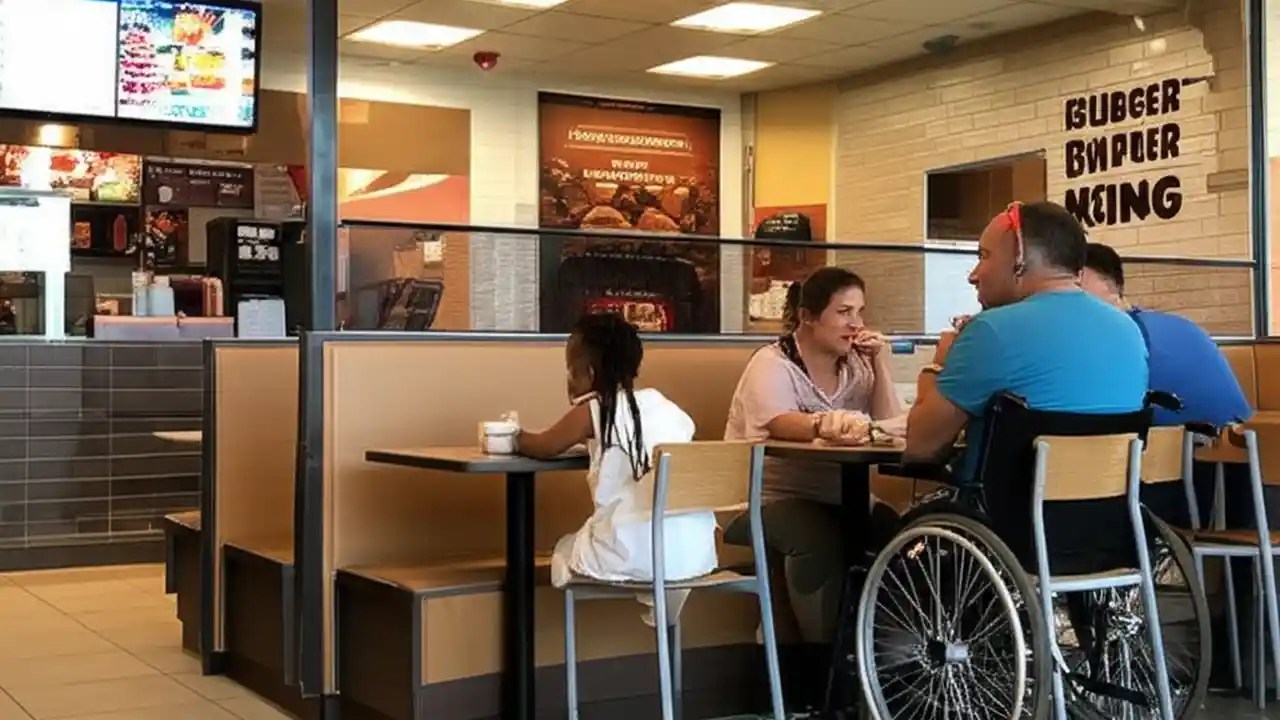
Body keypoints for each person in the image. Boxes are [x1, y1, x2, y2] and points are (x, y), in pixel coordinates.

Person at [723, 267, 905, 707]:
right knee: (818, 541)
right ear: (807, 316)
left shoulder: (858, 367)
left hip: (843, 494)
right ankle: (824, 680)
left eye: (860, 312)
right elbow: (780, 422)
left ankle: (881, 668)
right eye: (843, 312)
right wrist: (823, 423)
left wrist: (881, 362)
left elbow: (890, 423)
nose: (856, 324)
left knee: (897, 534)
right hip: (763, 497)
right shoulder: (773, 363)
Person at [1081, 242, 1254, 690]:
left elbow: (1098, 421)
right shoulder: (1173, 326)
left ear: (1104, 287)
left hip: (1192, 488)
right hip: (1251, 480)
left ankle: (1089, 660)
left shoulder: (1119, 338)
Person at [904, 201, 1149, 482]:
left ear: (1019, 259)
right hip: (1109, 520)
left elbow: (920, 448)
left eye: (984, 256)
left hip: (1007, 520)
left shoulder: (991, 331)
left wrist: (940, 363)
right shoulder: (1128, 330)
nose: (973, 275)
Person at [517, 312, 714, 625]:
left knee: (563, 550)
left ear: (589, 372)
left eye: (571, 370)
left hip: (635, 555)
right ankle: (662, 615)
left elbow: (542, 446)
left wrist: (512, 433)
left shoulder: (595, 410)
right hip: (694, 556)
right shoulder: (666, 407)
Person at [1079, 242, 1252, 428]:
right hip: (1248, 442)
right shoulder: (1173, 325)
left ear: (1112, 289)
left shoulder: (1123, 333)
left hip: (1192, 446)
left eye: (1078, 287)